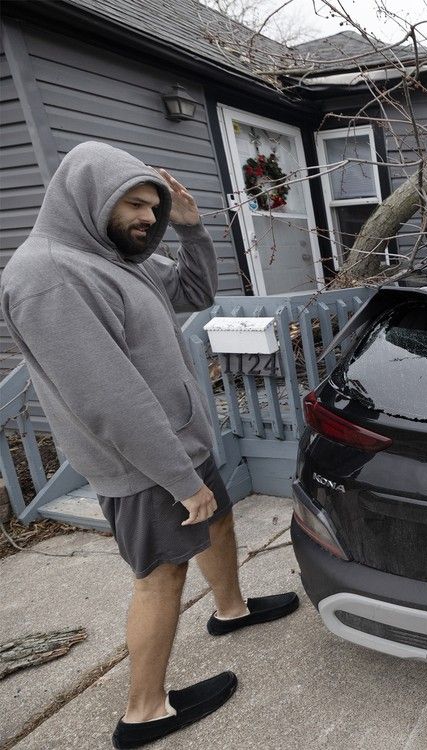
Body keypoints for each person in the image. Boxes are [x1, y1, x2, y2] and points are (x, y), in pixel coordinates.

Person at [0, 141, 298, 749]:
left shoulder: (117, 257)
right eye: (133, 204)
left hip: (180, 443)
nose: (146, 218)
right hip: (144, 466)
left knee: (218, 525)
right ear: (87, 199)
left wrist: (189, 231)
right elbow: (107, 398)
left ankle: (230, 610)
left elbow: (194, 291)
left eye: (152, 207)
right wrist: (178, 479)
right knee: (161, 576)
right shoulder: (51, 276)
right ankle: (144, 712)